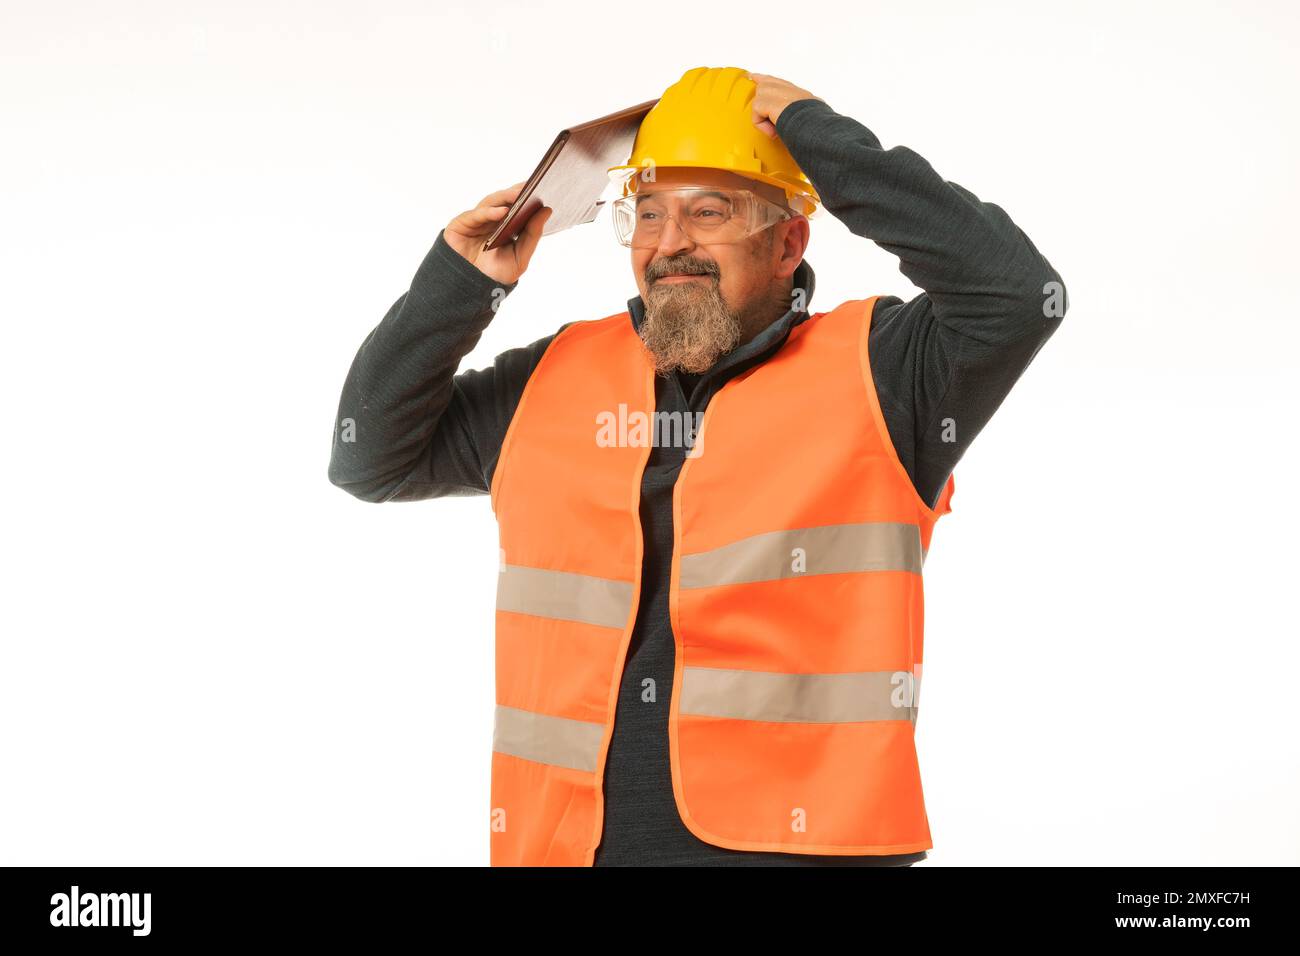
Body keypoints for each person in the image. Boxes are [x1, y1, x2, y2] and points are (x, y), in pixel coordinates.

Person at [328, 66, 1067, 866]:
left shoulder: (885, 374)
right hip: (562, 850)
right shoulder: (551, 380)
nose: (669, 243)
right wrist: (460, 284)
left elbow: (1018, 295)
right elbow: (370, 456)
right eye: (647, 214)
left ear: (789, 241)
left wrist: (816, 132)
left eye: (707, 211)